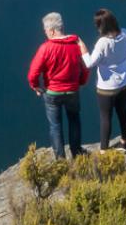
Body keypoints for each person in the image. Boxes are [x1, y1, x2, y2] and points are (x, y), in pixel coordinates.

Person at [80, 8, 126, 150]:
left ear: (101, 26)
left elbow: (90, 63)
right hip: (125, 83)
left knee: (106, 118)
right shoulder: (125, 33)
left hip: (107, 88)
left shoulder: (102, 42)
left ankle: (103, 150)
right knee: (122, 111)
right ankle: (125, 142)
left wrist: (82, 48)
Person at [27, 11, 89, 157]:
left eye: (46, 30)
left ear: (53, 31)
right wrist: (82, 81)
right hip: (73, 91)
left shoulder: (46, 48)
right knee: (74, 120)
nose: (45, 32)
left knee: (55, 126)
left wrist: (34, 85)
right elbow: (85, 65)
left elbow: (33, 72)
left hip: (52, 93)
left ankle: (60, 159)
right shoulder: (75, 44)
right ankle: (77, 153)